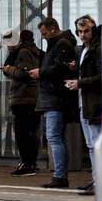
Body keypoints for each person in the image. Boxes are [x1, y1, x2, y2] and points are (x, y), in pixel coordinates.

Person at [32, 17, 77, 188]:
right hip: (55, 96)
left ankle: (59, 175)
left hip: (55, 97)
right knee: (57, 137)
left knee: (54, 136)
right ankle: (60, 175)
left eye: (44, 33)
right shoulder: (59, 44)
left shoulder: (61, 44)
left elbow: (58, 69)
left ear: (53, 29)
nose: (43, 37)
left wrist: (41, 73)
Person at [65, 17, 102, 196]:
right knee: (91, 144)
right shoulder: (84, 50)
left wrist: (79, 82)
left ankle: (101, 181)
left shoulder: (98, 49)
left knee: (97, 145)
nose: (83, 35)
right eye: (80, 32)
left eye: (86, 31)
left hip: (96, 103)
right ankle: (96, 180)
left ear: (93, 30)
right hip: (85, 103)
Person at [2, 29, 42, 175]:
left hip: (23, 97)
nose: (8, 47)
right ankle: (30, 162)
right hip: (32, 97)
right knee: (31, 131)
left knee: (22, 132)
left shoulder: (23, 52)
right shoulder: (34, 51)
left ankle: (27, 163)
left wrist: (8, 69)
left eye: (9, 44)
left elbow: (25, 73)